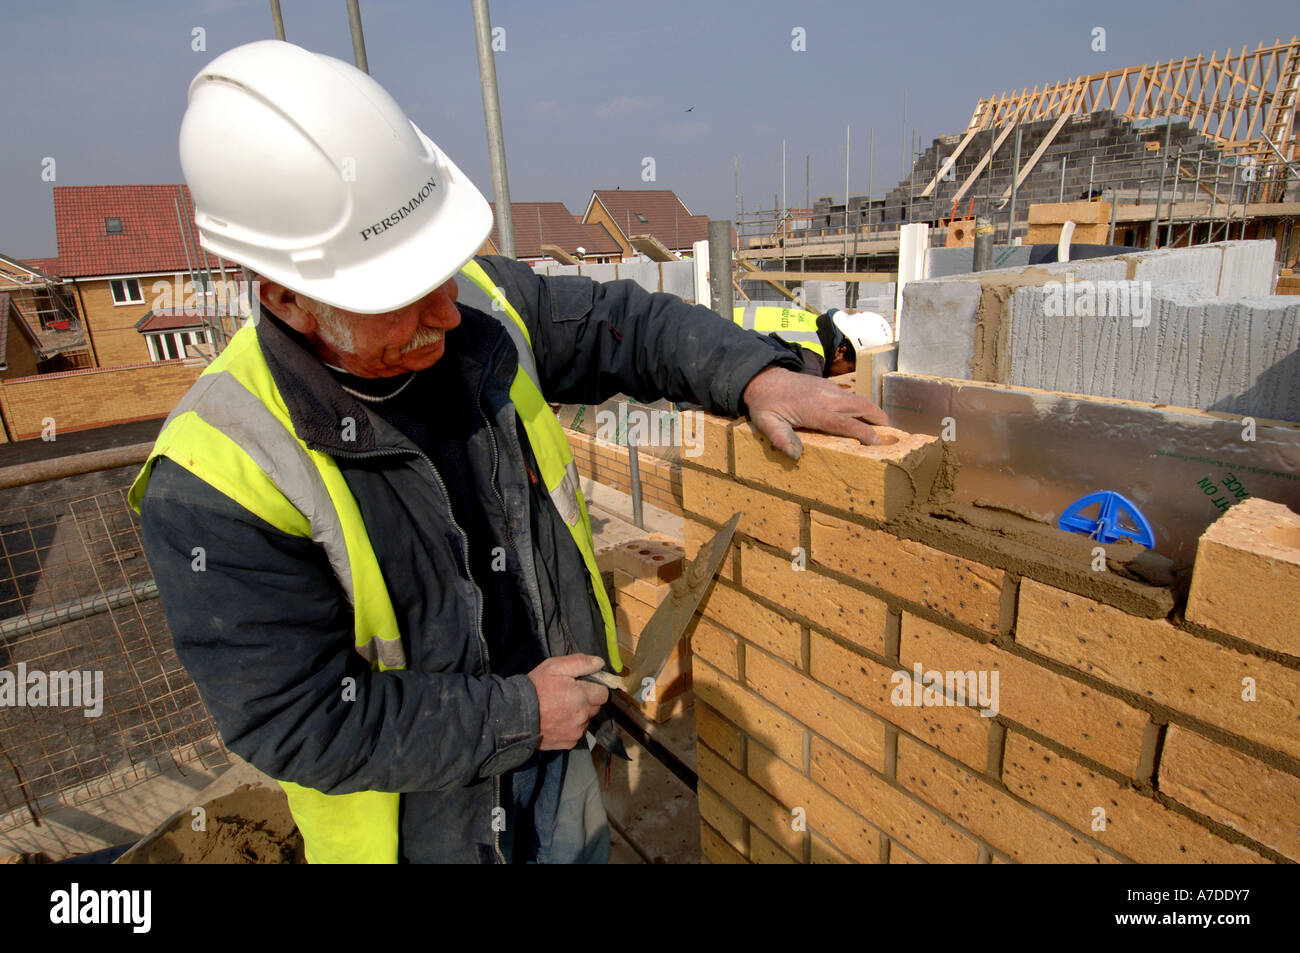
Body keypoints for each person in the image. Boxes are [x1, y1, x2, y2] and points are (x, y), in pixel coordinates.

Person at [130, 40, 888, 864]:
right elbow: (299, 718)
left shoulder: (486, 310)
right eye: (403, 297)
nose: (447, 314)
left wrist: (755, 374)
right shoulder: (218, 473)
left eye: (442, 274)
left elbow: (627, 326)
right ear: (288, 297)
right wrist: (517, 717)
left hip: (558, 753)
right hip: (422, 825)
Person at [731, 303, 892, 377]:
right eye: (850, 370)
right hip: (710, 349)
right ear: (840, 352)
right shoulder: (809, 363)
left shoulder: (813, 321)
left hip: (714, 321)